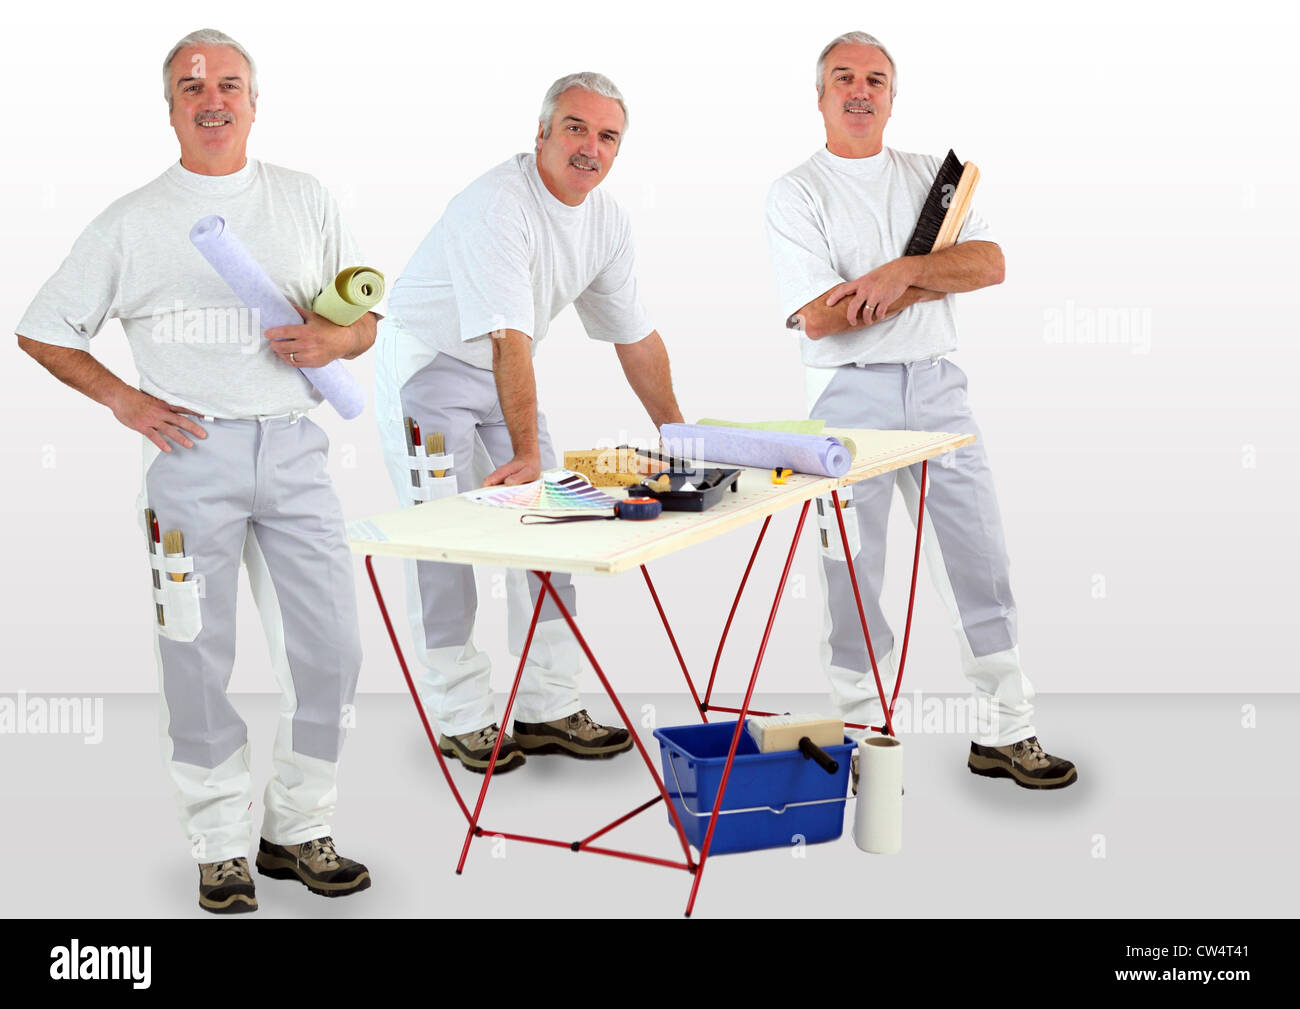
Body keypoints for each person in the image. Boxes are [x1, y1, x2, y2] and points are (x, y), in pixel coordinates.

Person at [15, 28, 374, 913]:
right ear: (170, 106)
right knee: (195, 656)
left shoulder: (304, 198)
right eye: (191, 85)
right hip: (190, 456)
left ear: (255, 100)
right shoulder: (133, 219)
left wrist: (338, 338)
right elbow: (42, 327)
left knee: (330, 648)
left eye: (229, 83)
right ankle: (219, 844)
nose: (212, 97)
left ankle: (299, 827)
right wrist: (125, 402)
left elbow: (363, 321)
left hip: (293, 448)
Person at [764, 31, 1077, 789]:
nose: (860, 90)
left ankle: (1007, 730)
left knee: (979, 556)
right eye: (844, 77)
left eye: (876, 78)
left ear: (893, 97)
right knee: (851, 570)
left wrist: (904, 271)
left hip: (938, 389)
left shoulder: (936, 181)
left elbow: (992, 262)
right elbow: (820, 318)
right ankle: (866, 738)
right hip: (847, 398)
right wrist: (937, 279)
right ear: (820, 96)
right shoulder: (796, 191)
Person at [377, 72, 684, 774]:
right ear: (541, 134)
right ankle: (461, 716)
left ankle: (547, 706)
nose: (591, 147)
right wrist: (523, 452)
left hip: (503, 376)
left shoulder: (606, 221)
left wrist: (681, 437)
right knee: (445, 539)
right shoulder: (498, 205)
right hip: (429, 370)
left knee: (555, 522)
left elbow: (634, 336)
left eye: (608, 136)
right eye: (576, 128)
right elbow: (508, 336)